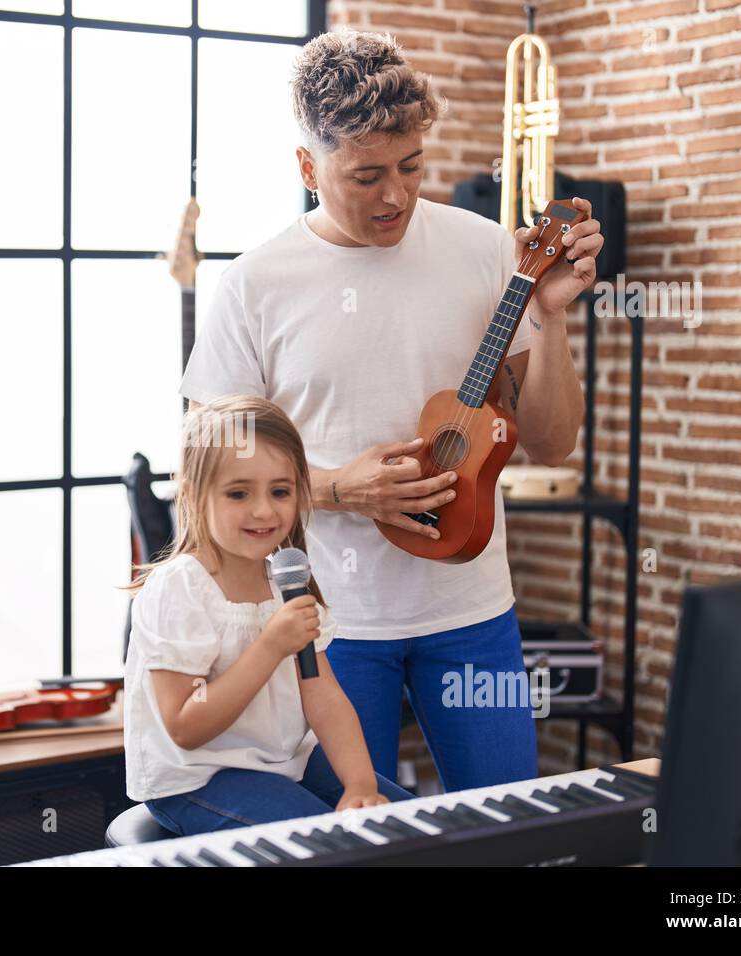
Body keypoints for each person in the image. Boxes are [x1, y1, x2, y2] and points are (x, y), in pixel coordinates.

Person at [179, 29, 604, 791]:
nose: (397, 195)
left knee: (512, 828)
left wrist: (552, 316)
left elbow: (552, 444)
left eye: (411, 166)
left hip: (474, 610)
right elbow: (211, 460)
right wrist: (343, 488)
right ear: (308, 167)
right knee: (356, 839)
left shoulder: (484, 249)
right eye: (366, 175)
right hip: (329, 623)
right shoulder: (254, 284)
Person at [122, 395, 412, 836]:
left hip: (286, 759)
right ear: (193, 495)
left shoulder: (288, 578)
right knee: (328, 843)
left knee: (408, 825)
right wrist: (271, 645)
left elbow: (325, 698)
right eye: (239, 493)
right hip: (198, 776)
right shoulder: (182, 587)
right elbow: (184, 726)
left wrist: (360, 785)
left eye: (280, 491)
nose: (263, 510)